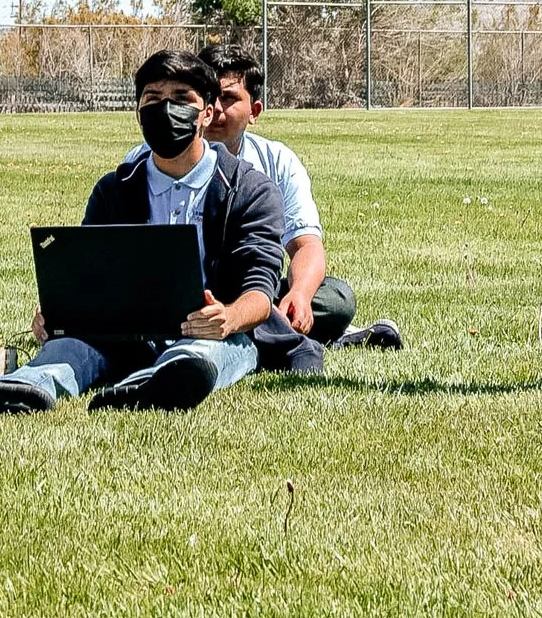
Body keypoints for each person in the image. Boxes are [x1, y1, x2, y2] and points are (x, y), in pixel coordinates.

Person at [0, 50, 286, 413]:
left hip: (218, 336)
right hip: (125, 336)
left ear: (207, 111)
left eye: (180, 99)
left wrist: (228, 318)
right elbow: (91, 275)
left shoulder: (250, 190)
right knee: (69, 349)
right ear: (138, 112)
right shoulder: (115, 190)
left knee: (197, 357)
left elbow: (260, 289)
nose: (165, 109)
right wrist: (60, 313)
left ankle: (149, 386)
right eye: (152, 98)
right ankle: (21, 389)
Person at [129, 45, 402, 373]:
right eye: (205, 95)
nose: (215, 108)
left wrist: (298, 295)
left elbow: (306, 244)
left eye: (228, 98)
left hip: (254, 286)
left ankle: (261, 325)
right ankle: (280, 336)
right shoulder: (143, 162)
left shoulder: (277, 161)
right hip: (173, 291)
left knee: (334, 299)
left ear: (254, 110)